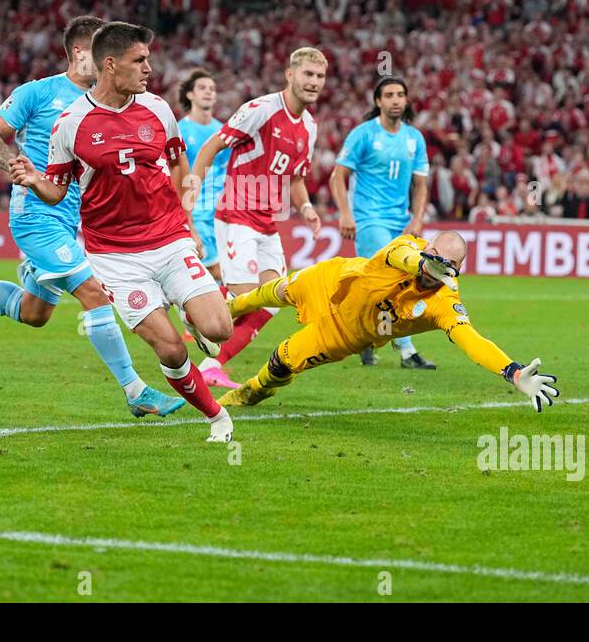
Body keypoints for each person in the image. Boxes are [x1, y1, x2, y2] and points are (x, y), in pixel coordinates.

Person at [0, 16, 185, 419]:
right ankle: (135, 390)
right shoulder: (38, 93)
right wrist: (17, 169)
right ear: (81, 53)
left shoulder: (104, 104)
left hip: (73, 216)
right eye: (98, 50)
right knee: (94, 292)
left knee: (34, 314)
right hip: (36, 213)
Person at [9, 21, 236, 442]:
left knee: (220, 329)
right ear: (110, 65)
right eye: (140, 60)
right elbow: (58, 190)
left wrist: (187, 222)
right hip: (115, 257)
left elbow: (177, 166)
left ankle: (186, 306)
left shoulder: (158, 109)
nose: (149, 68)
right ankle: (216, 416)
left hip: (168, 239)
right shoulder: (71, 124)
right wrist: (34, 180)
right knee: (171, 349)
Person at [216, 231, 559, 413]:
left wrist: (512, 371)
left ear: (459, 269)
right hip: (336, 280)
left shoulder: (444, 303)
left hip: (345, 333)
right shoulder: (408, 247)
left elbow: (471, 340)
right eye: (436, 257)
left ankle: (251, 393)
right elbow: (402, 255)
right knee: (282, 288)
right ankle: (233, 306)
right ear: (428, 249)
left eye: (449, 263)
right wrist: (424, 265)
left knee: (283, 360)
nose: (440, 266)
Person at [187, 47, 325, 388]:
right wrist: (191, 194)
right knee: (246, 295)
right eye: (308, 74)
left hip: (267, 222)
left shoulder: (309, 127)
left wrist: (306, 208)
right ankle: (195, 310)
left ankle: (211, 363)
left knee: (273, 301)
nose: (314, 82)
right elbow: (212, 146)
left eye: (320, 76)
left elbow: (295, 178)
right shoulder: (261, 110)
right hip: (236, 214)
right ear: (290, 75)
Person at [329, 76, 435, 369]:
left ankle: (362, 337)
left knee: (372, 285)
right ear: (378, 101)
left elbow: (421, 185)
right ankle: (407, 352)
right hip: (369, 219)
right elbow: (338, 176)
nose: (396, 100)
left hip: (400, 221)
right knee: (397, 279)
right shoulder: (363, 134)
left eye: (400, 94)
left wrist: (417, 219)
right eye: (389, 95)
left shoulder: (414, 138)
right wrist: (345, 213)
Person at [176, 68, 229, 282]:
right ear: (190, 94)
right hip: (196, 213)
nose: (208, 92)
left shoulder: (223, 132)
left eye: (212, 89)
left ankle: (195, 313)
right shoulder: (180, 130)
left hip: (221, 214)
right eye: (202, 88)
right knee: (217, 272)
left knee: (220, 276)